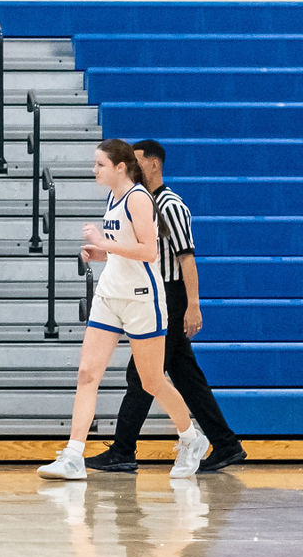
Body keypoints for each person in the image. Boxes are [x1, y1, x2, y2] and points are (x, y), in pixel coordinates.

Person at [38, 139, 209, 481]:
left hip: (142, 298)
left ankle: (192, 438)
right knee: (87, 374)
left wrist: (105, 243)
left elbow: (148, 252)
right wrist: (102, 253)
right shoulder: (113, 197)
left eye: (99, 164)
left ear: (120, 167)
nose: (94, 170)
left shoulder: (140, 198)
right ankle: (73, 454)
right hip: (109, 296)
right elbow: (123, 249)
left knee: (152, 381)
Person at [87, 140, 245, 474]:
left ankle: (123, 449)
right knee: (186, 377)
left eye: (137, 161)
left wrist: (192, 305)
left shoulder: (170, 205)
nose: (131, 165)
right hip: (154, 291)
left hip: (168, 295)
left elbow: (187, 259)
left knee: (143, 375)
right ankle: (226, 443)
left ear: (154, 164)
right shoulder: (132, 200)